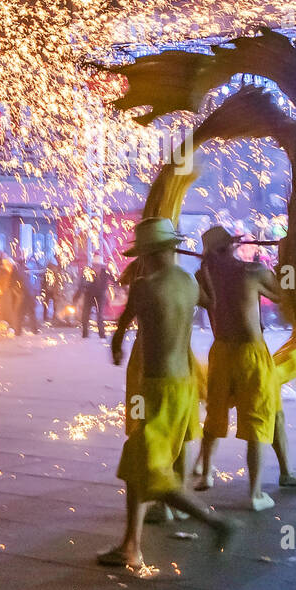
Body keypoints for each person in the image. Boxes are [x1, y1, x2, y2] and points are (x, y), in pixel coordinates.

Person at [99, 217, 235, 568]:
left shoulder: (145, 286)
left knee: (149, 470)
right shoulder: (188, 282)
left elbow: (125, 322)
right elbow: (211, 303)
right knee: (137, 465)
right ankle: (130, 544)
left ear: (147, 253)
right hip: (184, 386)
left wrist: (116, 346)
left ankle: (215, 522)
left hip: (157, 389)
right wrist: (207, 274)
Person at [192, 226, 296, 510]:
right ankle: (257, 491)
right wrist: (289, 262)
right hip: (250, 354)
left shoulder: (205, 275)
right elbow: (284, 295)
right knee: (261, 416)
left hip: (222, 352)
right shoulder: (252, 272)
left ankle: (207, 473)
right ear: (231, 247)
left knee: (216, 412)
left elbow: (206, 302)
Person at [74, 259, 112, 339]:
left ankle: (102, 335)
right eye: (94, 265)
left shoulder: (105, 273)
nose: (96, 267)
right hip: (89, 295)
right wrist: (77, 296)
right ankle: (85, 334)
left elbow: (115, 280)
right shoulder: (88, 273)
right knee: (85, 314)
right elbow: (81, 285)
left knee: (100, 315)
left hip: (100, 296)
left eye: (97, 265)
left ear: (101, 266)